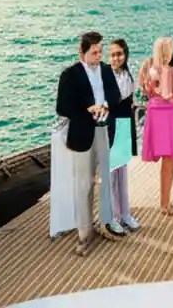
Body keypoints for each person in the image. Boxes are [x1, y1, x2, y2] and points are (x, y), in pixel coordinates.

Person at [55, 31, 124, 255]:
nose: (98, 56)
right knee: (84, 185)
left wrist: (105, 104)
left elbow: (115, 95)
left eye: (100, 51)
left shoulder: (105, 70)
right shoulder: (70, 74)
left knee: (105, 181)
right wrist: (87, 108)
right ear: (82, 52)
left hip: (105, 131)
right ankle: (84, 235)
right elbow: (63, 107)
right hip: (83, 134)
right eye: (94, 52)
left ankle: (106, 225)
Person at [140, 36, 173, 216]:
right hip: (172, 110)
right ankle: (165, 201)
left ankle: (165, 201)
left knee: (166, 157)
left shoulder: (148, 65)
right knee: (170, 159)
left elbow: (143, 87)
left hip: (155, 110)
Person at [107, 39, 141, 234]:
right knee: (111, 175)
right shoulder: (105, 76)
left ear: (125, 54)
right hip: (110, 126)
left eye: (119, 54)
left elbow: (129, 98)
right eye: (112, 54)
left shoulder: (128, 75)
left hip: (123, 124)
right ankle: (113, 216)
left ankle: (125, 213)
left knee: (122, 173)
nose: (116, 58)